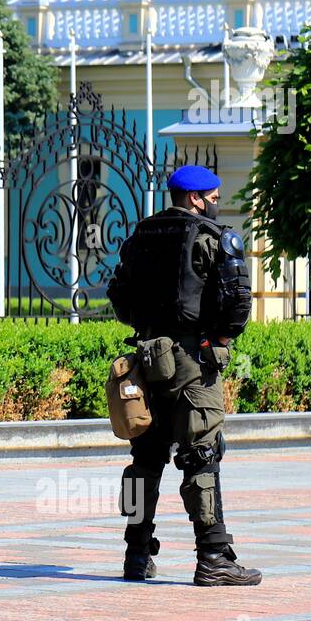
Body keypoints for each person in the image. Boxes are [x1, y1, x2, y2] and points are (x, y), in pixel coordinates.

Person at [106, 164, 262, 586]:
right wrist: (216, 338)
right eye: (212, 195)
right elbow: (238, 304)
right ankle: (213, 555)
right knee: (202, 455)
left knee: (145, 458)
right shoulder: (215, 239)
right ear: (195, 198)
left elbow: (118, 296)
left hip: (148, 357)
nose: (216, 201)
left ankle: (136, 554)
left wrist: (150, 330)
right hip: (195, 360)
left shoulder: (142, 235)